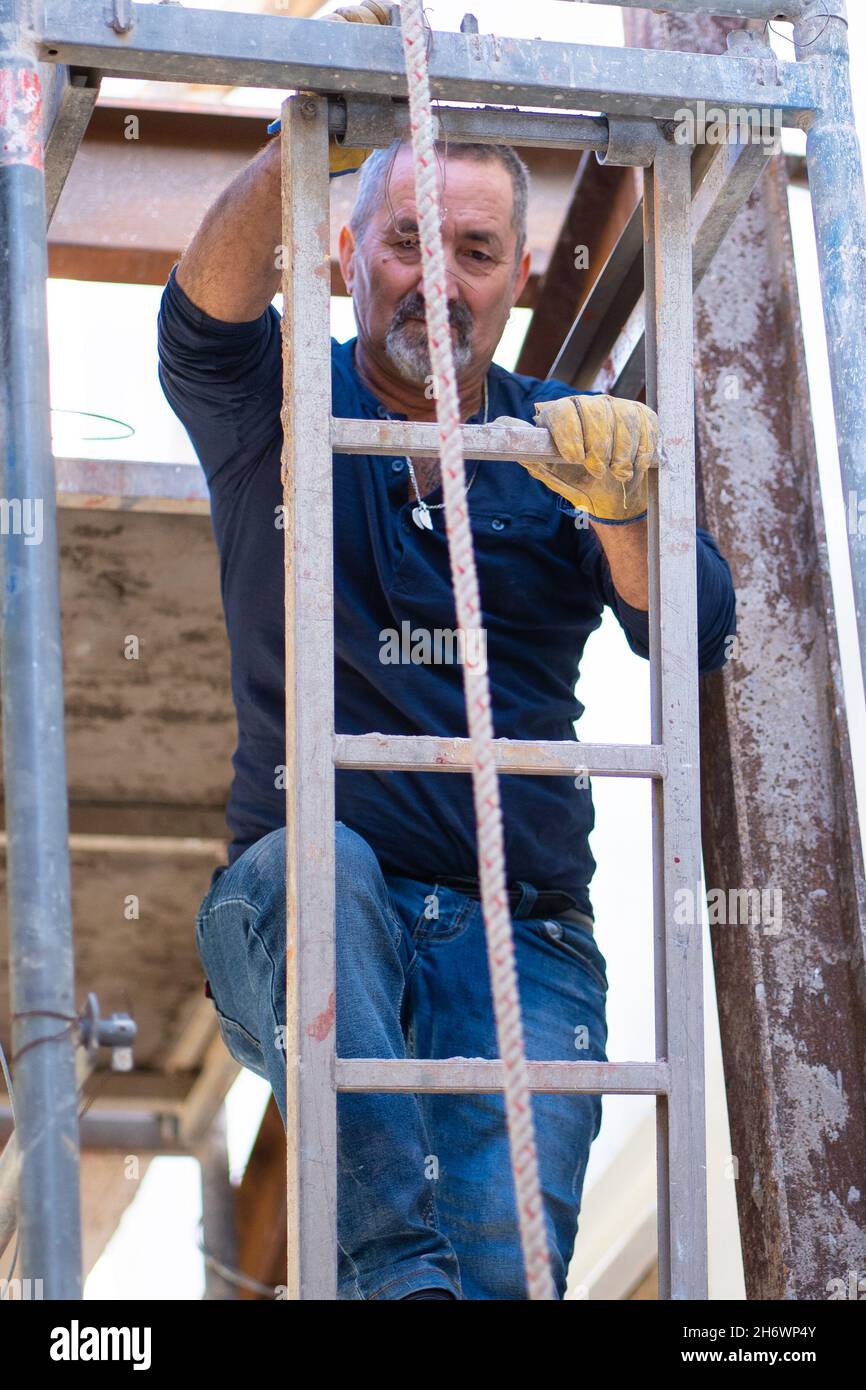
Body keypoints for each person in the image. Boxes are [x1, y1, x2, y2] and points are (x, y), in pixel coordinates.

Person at [157, 63, 736, 1301]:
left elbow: (690, 631)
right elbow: (199, 327)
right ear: (345, 251)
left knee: (498, 1281)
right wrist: (297, 134)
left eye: (474, 250)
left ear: (518, 276)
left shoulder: (560, 439)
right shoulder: (282, 408)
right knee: (328, 868)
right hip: (304, 918)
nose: (439, 278)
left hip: (519, 941)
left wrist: (624, 510)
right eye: (406, 241)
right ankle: (398, 1270)